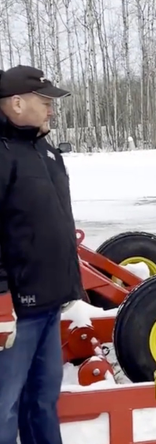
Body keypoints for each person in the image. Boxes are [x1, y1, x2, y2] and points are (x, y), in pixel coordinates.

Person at [0, 65, 83, 444]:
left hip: (49, 303)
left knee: (43, 400)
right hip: (16, 312)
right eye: (44, 101)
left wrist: (70, 285)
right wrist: (3, 302)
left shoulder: (46, 151)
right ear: (16, 103)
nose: (51, 109)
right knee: (4, 407)